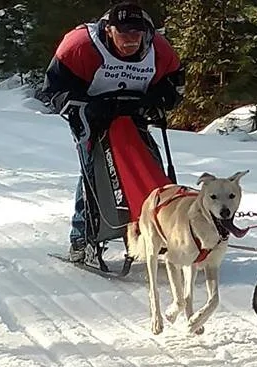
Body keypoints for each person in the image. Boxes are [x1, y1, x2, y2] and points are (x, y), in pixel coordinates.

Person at [39, 2, 184, 262]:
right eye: (124, 33)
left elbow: (175, 85)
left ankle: (158, 227)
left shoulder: (159, 50)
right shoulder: (80, 46)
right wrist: (82, 107)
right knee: (93, 173)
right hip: (92, 117)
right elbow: (53, 90)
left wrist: (158, 99)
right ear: (109, 30)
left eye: (137, 34)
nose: (131, 40)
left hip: (134, 116)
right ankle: (82, 238)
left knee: (149, 165)